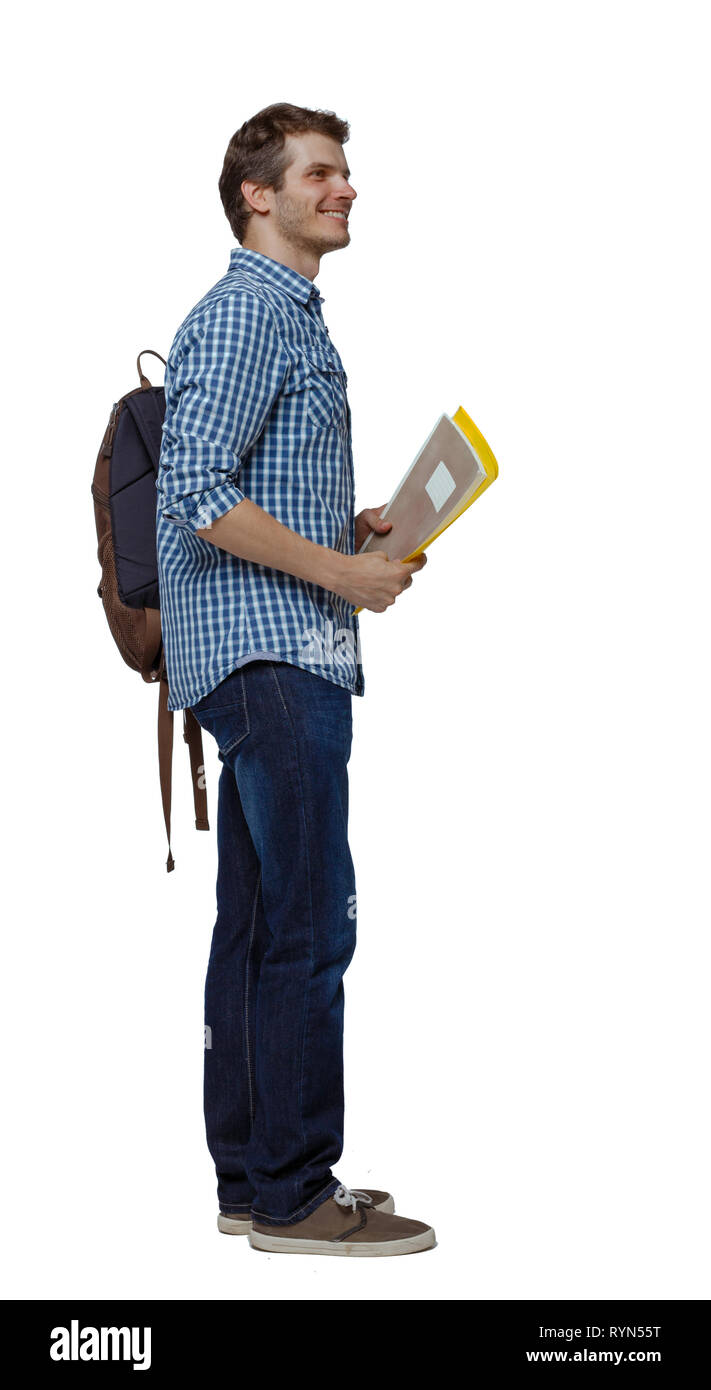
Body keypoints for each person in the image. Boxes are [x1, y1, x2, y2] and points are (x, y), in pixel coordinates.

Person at [155, 102, 434, 1256]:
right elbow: (196, 489)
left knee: (261, 924)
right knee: (311, 928)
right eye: (323, 172)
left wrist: (352, 524)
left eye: (347, 171)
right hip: (277, 655)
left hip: (270, 650)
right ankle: (298, 1197)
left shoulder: (284, 319)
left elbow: (236, 479)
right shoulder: (245, 314)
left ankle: (252, 1180)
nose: (347, 187)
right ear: (257, 195)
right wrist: (339, 571)